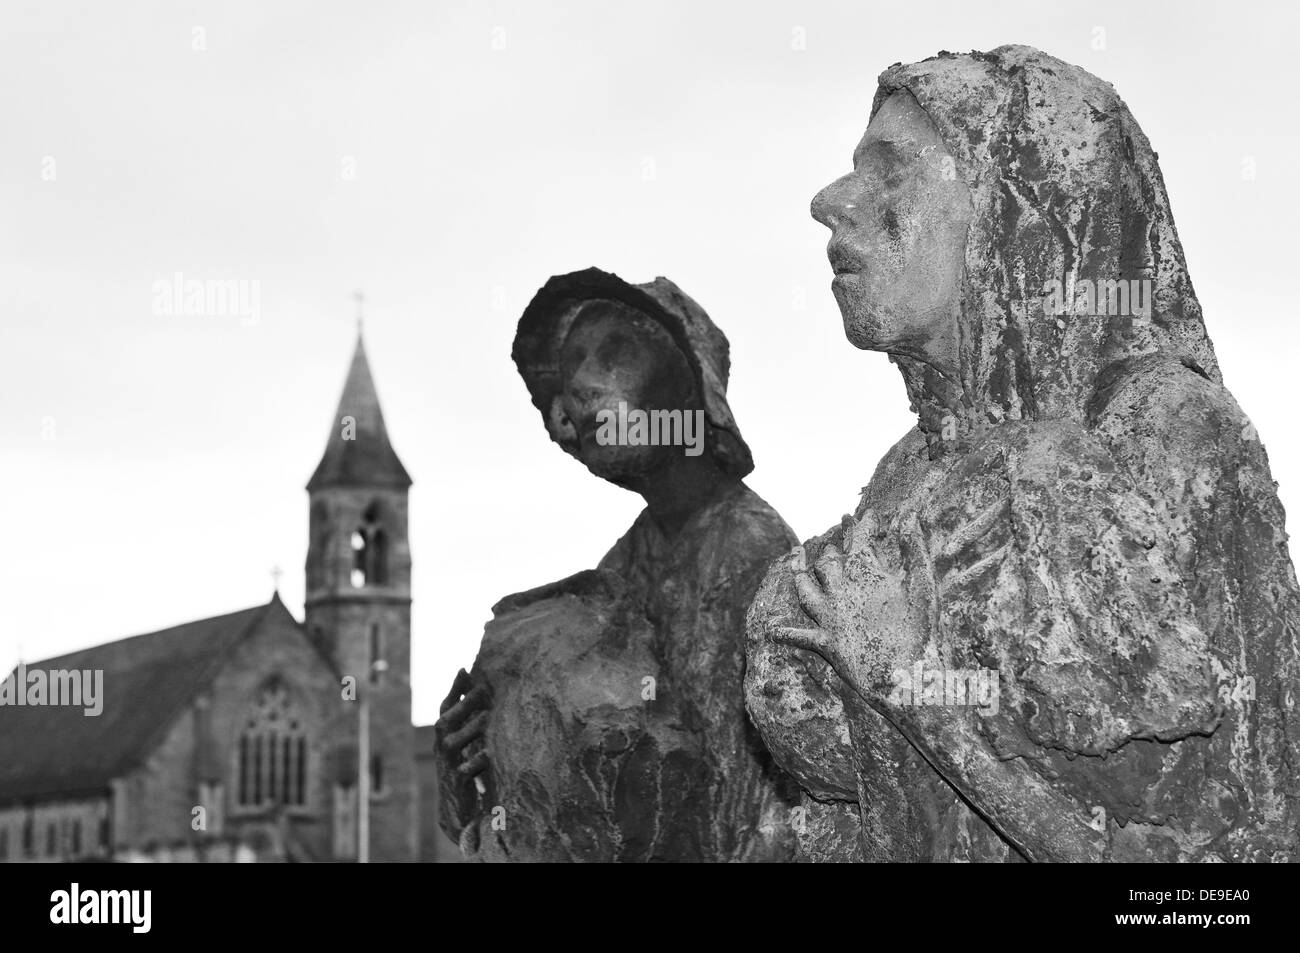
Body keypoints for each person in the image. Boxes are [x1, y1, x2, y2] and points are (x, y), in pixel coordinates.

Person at [745, 45, 1300, 862]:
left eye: (891, 171)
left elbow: (1234, 868)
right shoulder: (907, 475)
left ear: (1017, 209)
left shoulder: (1169, 430)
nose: (831, 201)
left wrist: (914, 689)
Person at [437, 268, 798, 861]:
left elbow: (757, 821)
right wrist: (477, 778)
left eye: (615, 351)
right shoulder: (621, 568)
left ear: (689, 379)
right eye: (572, 368)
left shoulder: (751, 554)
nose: (580, 385)